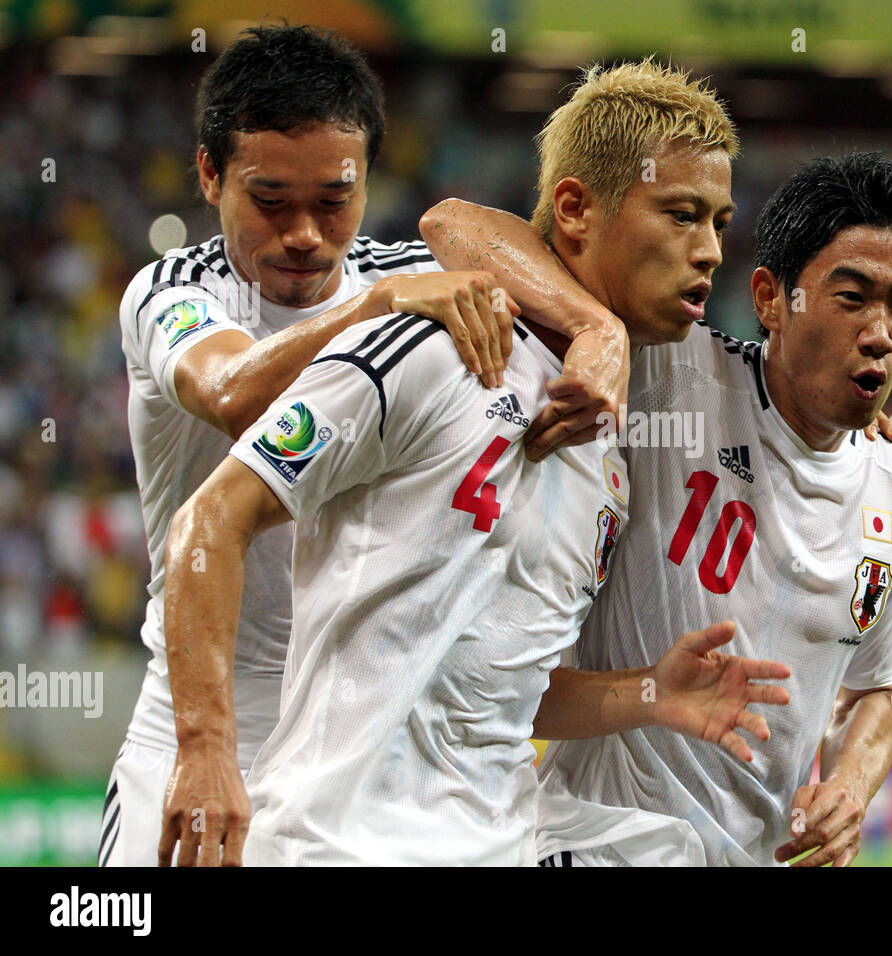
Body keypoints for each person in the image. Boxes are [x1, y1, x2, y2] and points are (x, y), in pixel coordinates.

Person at [161, 59, 789, 866]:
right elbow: (209, 520)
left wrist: (650, 694)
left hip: (496, 842)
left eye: (719, 222)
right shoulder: (438, 346)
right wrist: (206, 748)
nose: (709, 251)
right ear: (573, 209)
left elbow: (507, 696)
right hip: (337, 842)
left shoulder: (607, 452)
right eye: (681, 214)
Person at [103, 23, 626, 868]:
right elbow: (232, 395)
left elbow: (460, 221)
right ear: (209, 174)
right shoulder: (176, 291)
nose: (304, 233)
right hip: (197, 724)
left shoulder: (401, 267)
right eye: (270, 200)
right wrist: (375, 307)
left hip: (351, 744)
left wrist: (601, 331)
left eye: (334, 200)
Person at [423, 150, 892, 866]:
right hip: (591, 842)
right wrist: (597, 331)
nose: (880, 331)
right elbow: (454, 225)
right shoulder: (673, 370)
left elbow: (873, 692)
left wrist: (849, 788)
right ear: (769, 300)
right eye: (851, 297)